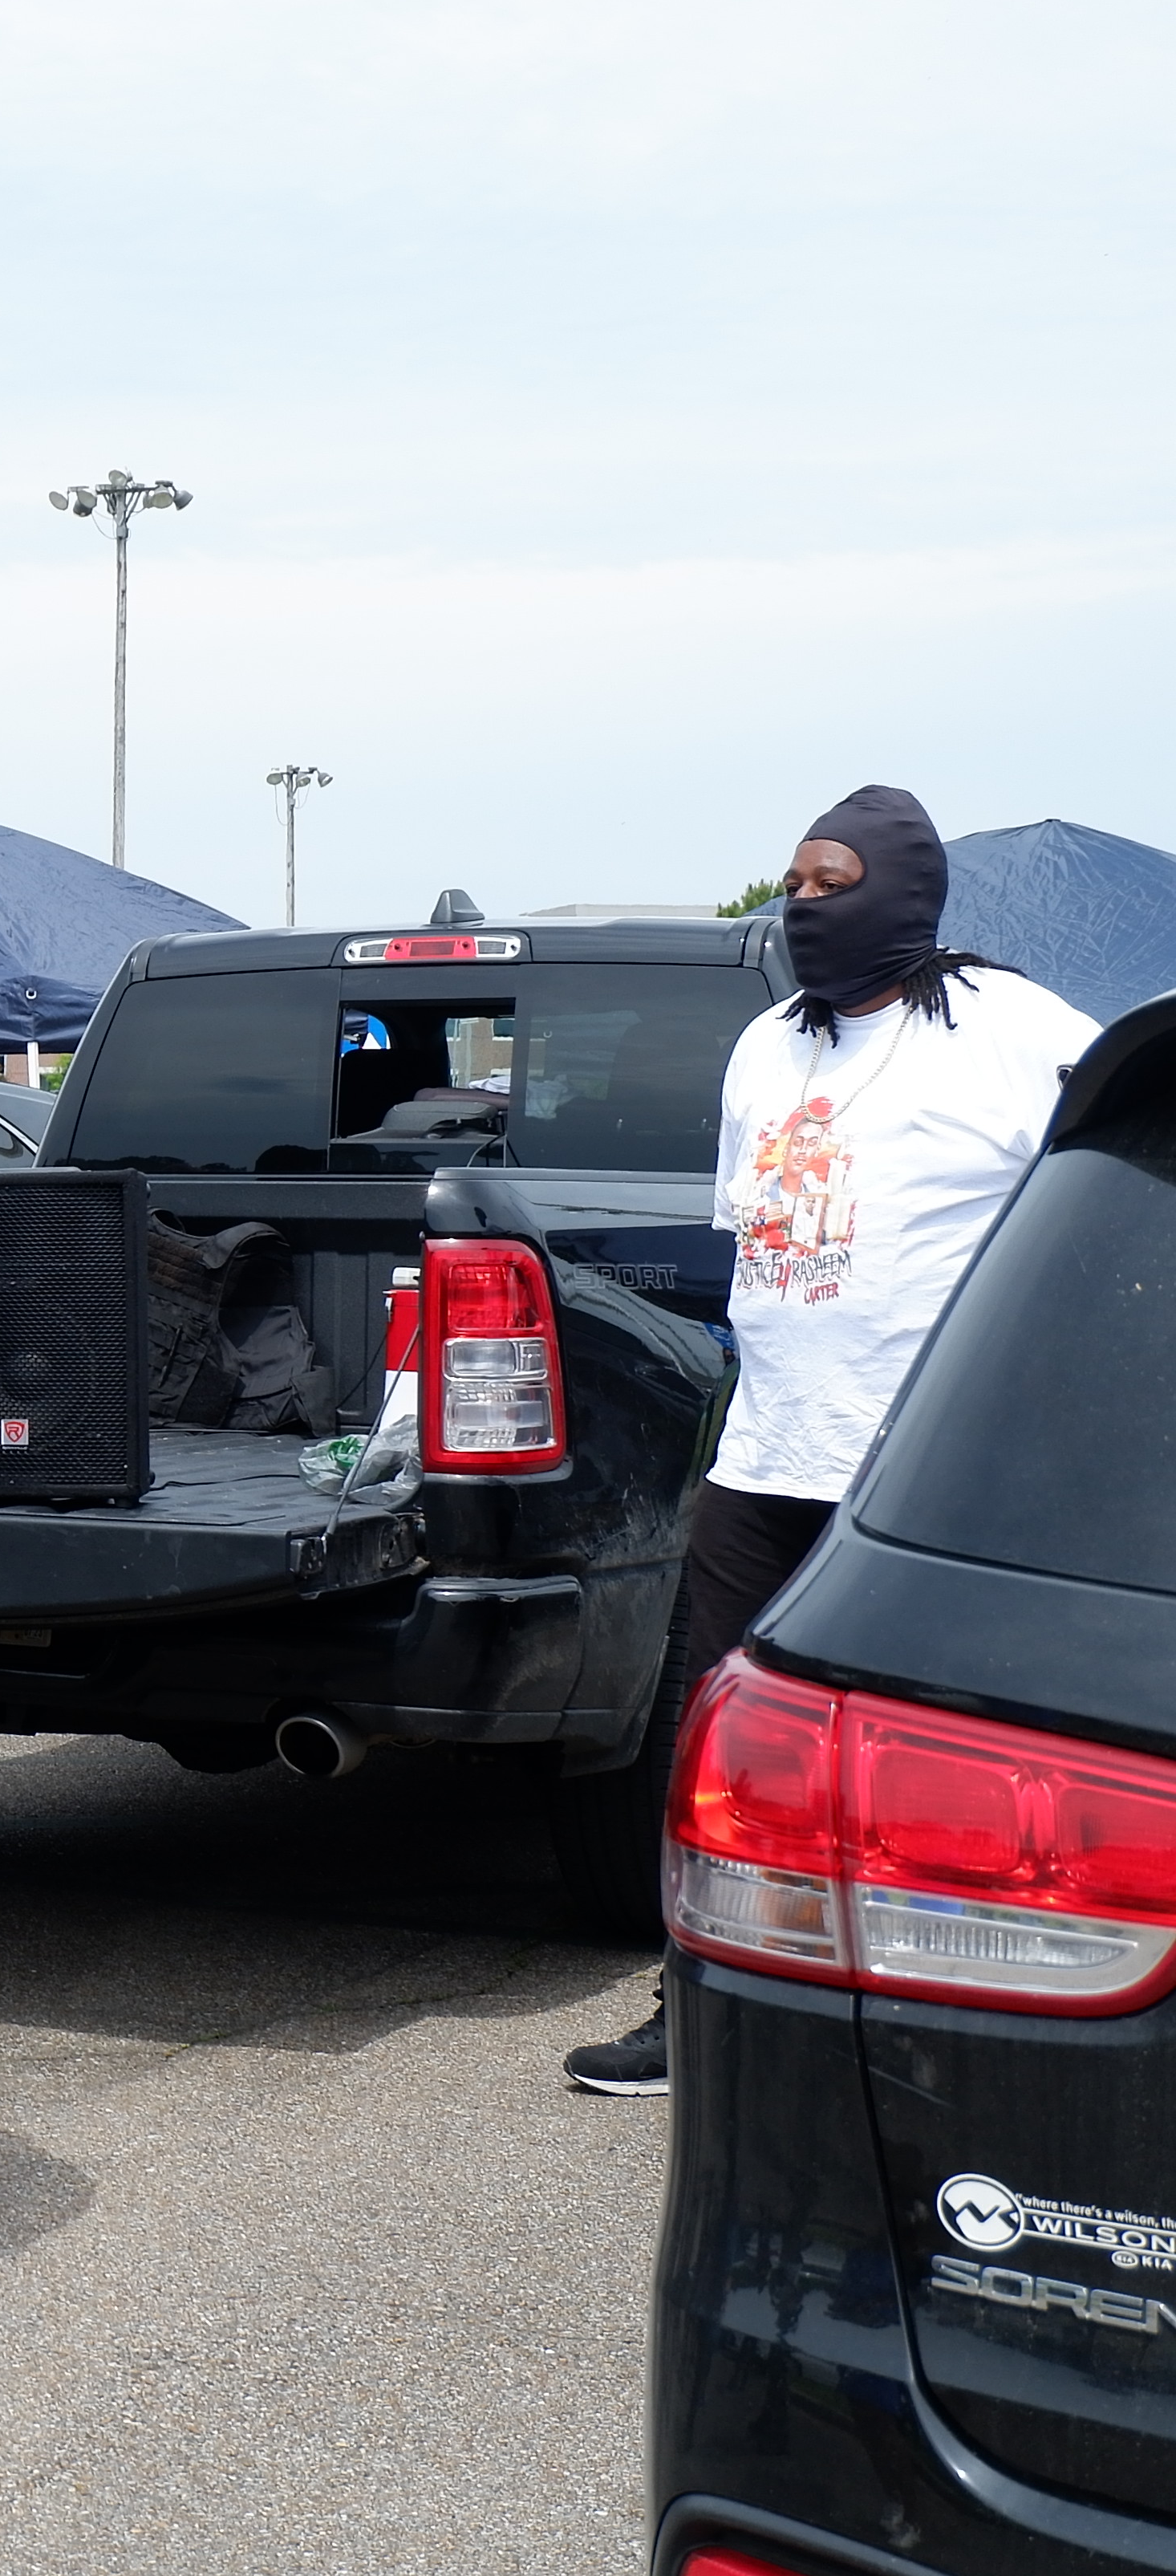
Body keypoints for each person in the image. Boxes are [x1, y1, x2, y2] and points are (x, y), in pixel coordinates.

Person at [560, 784, 1098, 2096]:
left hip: (931, 1470)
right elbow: (760, 1235)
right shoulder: (768, 1049)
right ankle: (697, 2010)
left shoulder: (1011, 1029)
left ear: (905, 891)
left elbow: (1123, 1163)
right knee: (725, 1747)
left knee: (934, 1755)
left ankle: (937, 2024)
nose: (803, 903)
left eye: (830, 878)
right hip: (766, 1459)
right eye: (791, 880)